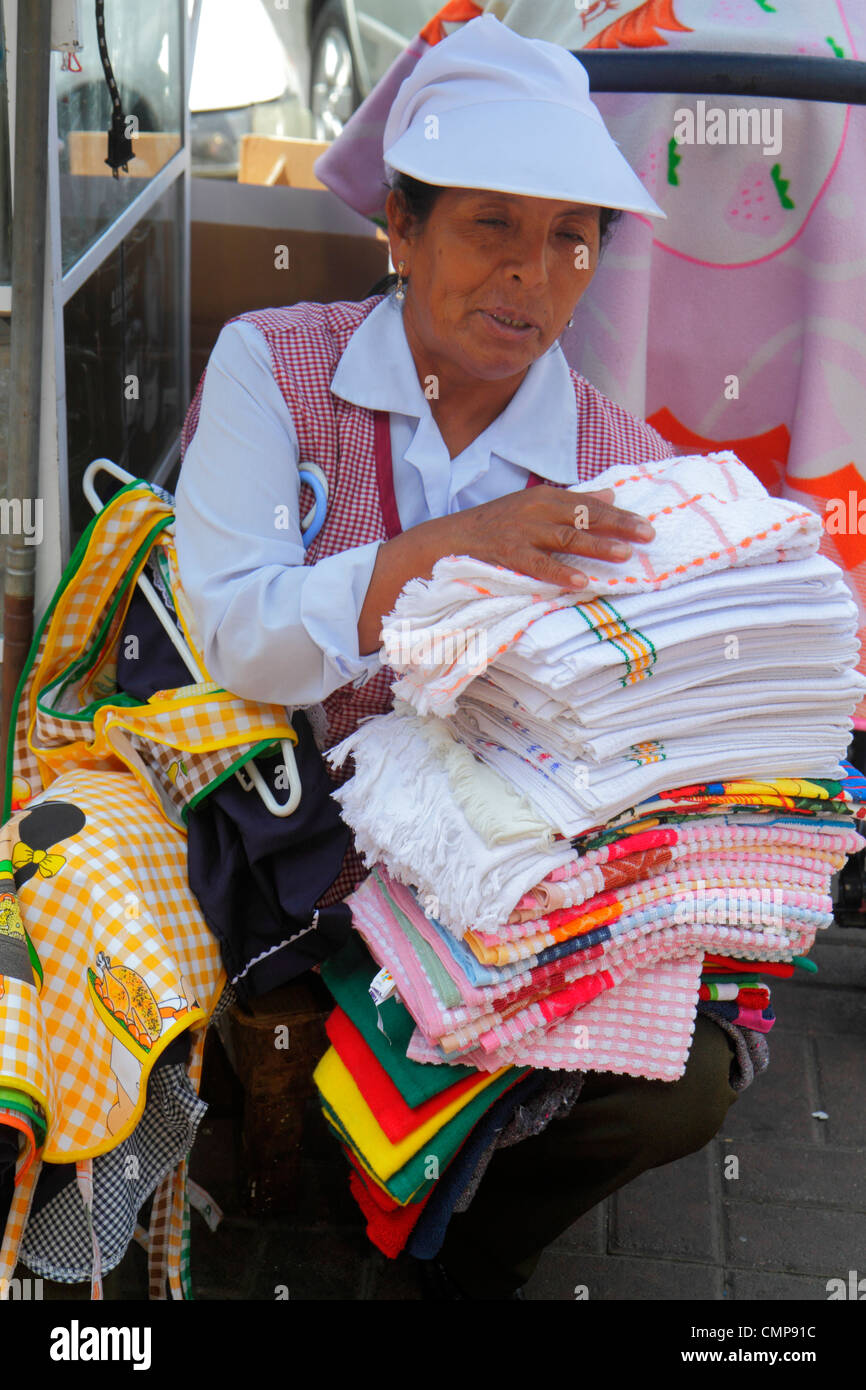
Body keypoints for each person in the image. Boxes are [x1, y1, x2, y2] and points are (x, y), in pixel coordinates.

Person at [174, 15, 740, 1299]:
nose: (530, 276)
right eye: (490, 223)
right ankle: (348, 1178)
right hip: (288, 854)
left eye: (568, 238)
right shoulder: (275, 366)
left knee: (684, 1081)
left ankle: (455, 1255)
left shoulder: (628, 469)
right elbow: (236, 634)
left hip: (508, 886)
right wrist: (457, 546)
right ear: (399, 228)